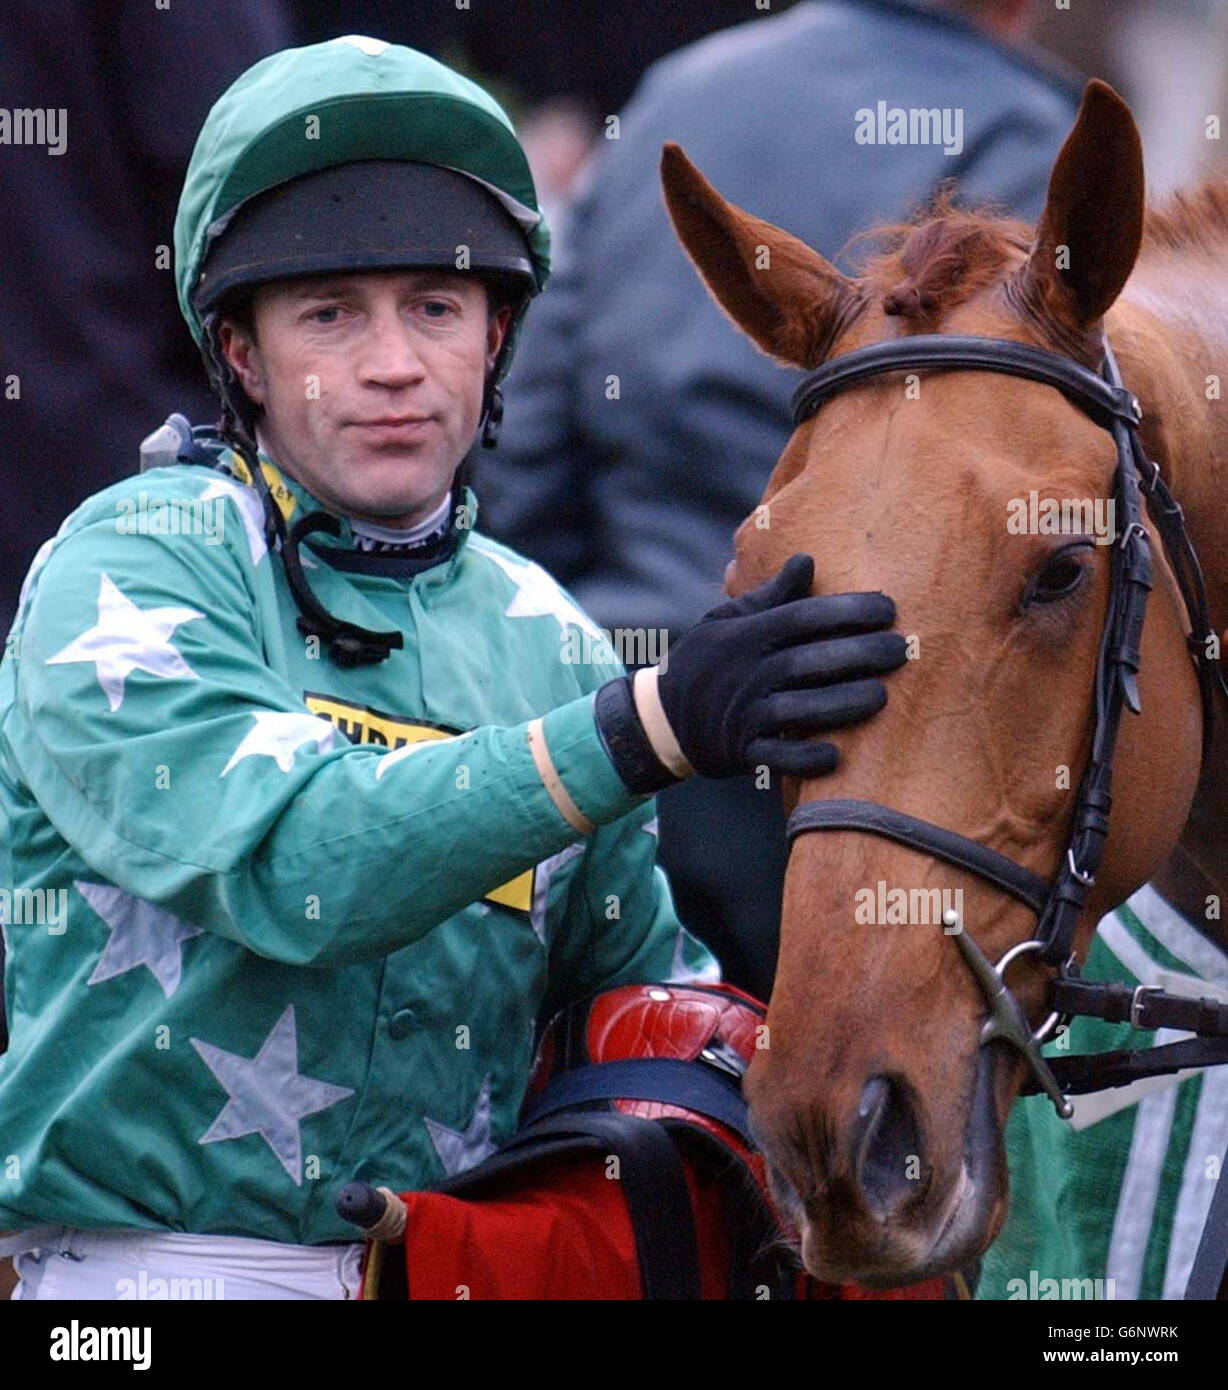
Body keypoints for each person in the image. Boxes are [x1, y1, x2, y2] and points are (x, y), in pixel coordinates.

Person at [0, 35, 906, 1300]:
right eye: (329, 312)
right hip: (140, 1284)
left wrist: (877, 1073)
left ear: (496, 340)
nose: (392, 364)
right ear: (243, 356)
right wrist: (647, 724)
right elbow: (292, 860)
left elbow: (640, 1006)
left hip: (455, 1272)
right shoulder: (134, 563)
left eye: (435, 304)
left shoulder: (546, 631)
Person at [475, 0, 1084, 1000]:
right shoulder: (1026, 137)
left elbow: (529, 417)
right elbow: (996, 505)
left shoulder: (681, 87)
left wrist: (569, 636)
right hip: (839, 761)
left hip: (606, 719)